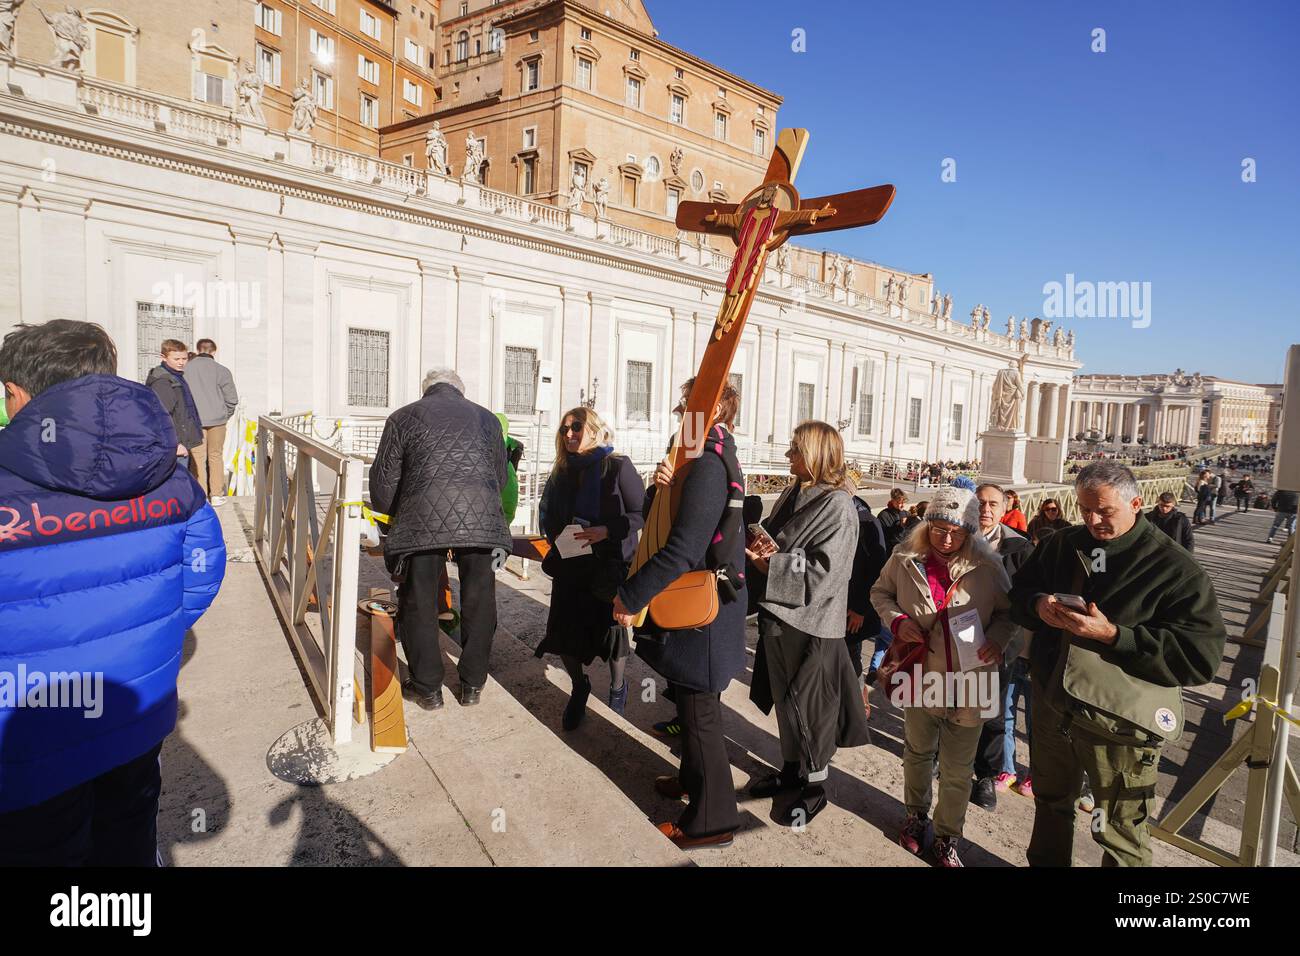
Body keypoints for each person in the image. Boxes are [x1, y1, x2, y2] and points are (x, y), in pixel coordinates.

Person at [0, 320, 225, 864]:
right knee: (126, 842)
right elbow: (204, 570)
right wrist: (148, 631)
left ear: (22, 393)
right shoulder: (169, 476)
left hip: (27, 734)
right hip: (134, 712)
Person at [1009, 462, 1227, 867]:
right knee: (1051, 802)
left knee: (1121, 830)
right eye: (1084, 509)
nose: (1092, 520)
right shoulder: (1062, 544)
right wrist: (1039, 605)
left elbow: (1200, 659)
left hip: (1119, 722)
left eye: (1104, 511)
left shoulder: (1176, 568)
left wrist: (1113, 636)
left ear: (1136, 504)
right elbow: (1018, 593)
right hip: (1054, 703)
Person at [613, 381, 747, 851]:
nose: (677, 416)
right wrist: (661, 490)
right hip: (700, 613)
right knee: (691, 712)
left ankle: (712, 821)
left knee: (702, 716)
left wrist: (631, 596)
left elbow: (683, 549)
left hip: (702, 616)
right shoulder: (701, 459)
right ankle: (692, 780)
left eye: (684, 409)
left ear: (709, 413)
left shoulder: (708, 466)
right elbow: (664, 522)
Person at [871, 485, 1015, 867]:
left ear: (970, 532)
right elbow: (879, 593)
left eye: (956, 532)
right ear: (927, 524)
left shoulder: (988, 566)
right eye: (938, 528)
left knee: (958, 767)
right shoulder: (904, 558)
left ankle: (948, 834)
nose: (946, 539)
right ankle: (916, 817)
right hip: (921, 672)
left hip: (973, 678)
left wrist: (997, 641)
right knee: (918, 752)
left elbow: (1008, 613)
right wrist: (897, 620)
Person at [745, 422, 871, 825]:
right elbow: (786, 544)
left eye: (796, 450)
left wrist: (772, 564)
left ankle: (815, 785)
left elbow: (828, 573)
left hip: (812, 622)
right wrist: (762, 545)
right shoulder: (792, 491)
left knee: (811, 706)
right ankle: (790, 771)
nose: (788, 456)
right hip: (778, 613)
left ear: (817, 454)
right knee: (785, 699)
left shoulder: (839, 506)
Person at [369, 369, 511, 710]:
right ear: (460, 391)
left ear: (426, 390)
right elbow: (501, 479)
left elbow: (383, 490)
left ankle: (427, 688)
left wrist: (397, 514)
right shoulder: (488, 420)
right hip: (483, 523)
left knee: (419, 600)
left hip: (422, 522)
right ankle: (473, 685)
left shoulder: (402, 418)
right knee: (480, 598)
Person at [535, 408, 644, 728]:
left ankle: (617, 688)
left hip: (608, 564)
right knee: (563, 634)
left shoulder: (618, 467)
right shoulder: (561, 471)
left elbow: (640, 513)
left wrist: (606, 530)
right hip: (571, 564)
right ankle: (579, 686)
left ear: (594, 431)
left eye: (577, 427)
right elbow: (547, 513)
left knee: (611, 635)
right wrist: (556, 535)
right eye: (564, 428)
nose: (568, 433)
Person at [969, 483, 1031, 808]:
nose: (986, 510)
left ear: (1005, 508)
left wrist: (1000, 637)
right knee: (950, 701)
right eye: (980, 503)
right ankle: (944, 759)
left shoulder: (1019, 548)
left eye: (993, 503)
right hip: (956, 640)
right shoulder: (955, 537)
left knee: (991, 711)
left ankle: (986, 777)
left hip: (1000, 644)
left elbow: (1025, 602)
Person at [184, 339, 240, 506]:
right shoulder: (222, 371)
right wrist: (224, 415)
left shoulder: (186, 369)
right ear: (214, 351)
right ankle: (216, 494)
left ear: (197, 349)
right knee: (216, 456)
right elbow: (232, 400)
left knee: (198, 458)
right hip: (217, 421)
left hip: (194, 420)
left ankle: (200, 495)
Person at [145, 338, 203, 466]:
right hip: (174, 445)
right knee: (177, 481)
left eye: (184, 358)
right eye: (176, 359)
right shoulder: (163, 381)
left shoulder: (176, 377)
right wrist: (176, 443)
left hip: (180, 441)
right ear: (163, 357)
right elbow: (163, 415)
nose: (181, 363)